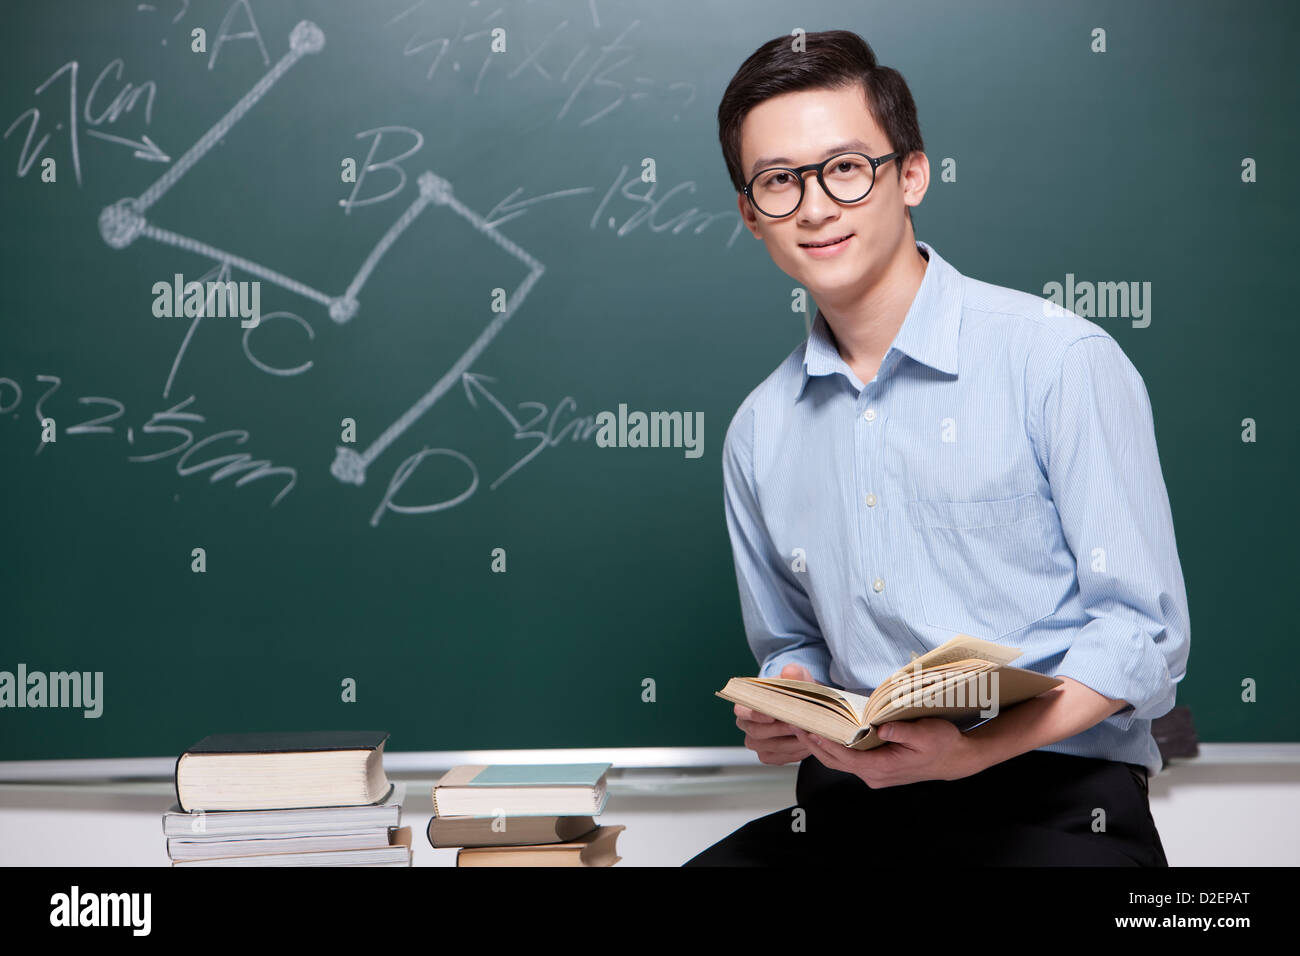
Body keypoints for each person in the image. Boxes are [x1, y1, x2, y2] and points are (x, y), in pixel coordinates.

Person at [684, 30, 1188, 866]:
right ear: (750, 213)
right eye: (778, 182)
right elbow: (791, 644)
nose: (813, 207)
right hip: (855, 804)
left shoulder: (1058, 360)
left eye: (844, 168)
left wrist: (976, 751)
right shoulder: (757, 431)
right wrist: (789, 700)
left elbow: (1143, 634)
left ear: (911, 173)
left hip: (1054, 801)